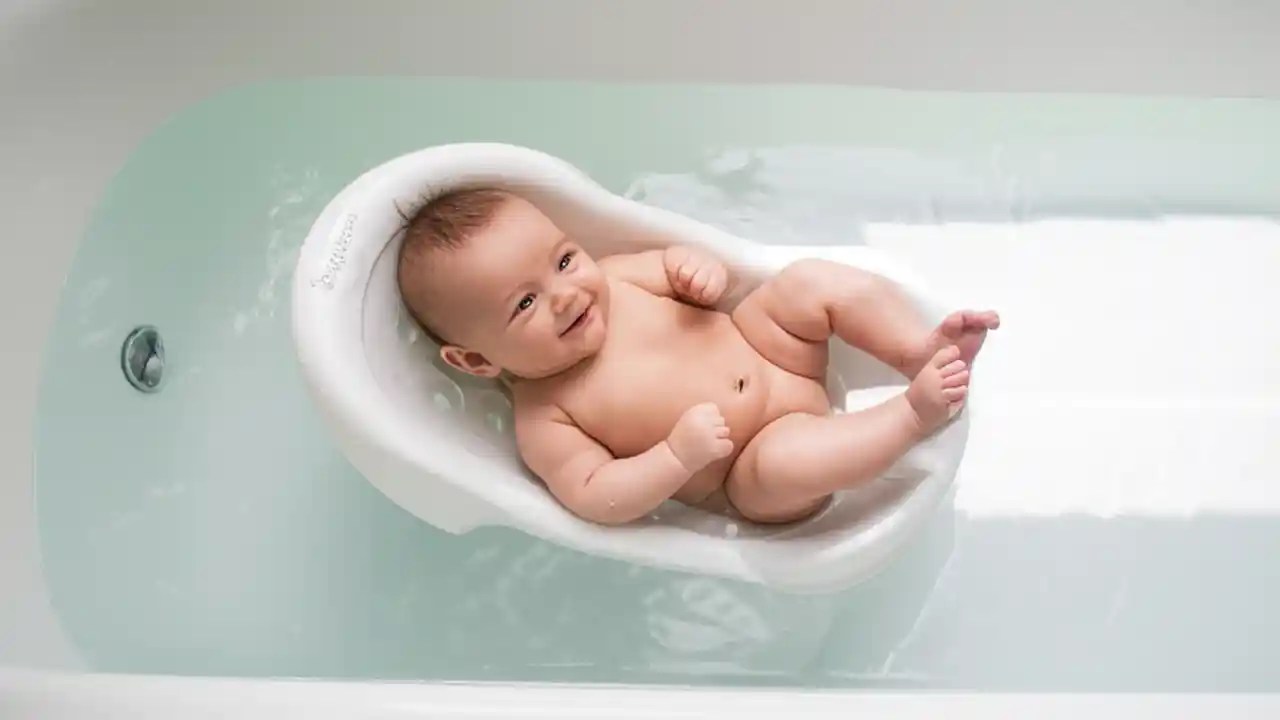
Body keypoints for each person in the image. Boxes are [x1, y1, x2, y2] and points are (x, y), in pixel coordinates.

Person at [396, 188, 999, 525]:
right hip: (750, 461)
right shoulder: (545, 417)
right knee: (784, 468)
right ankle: (911, 418)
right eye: (525, 303)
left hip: (769, 347)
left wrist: (695, 269)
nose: (566, 295)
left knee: (804, 284)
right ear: (476, 362)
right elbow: (597, 496)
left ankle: (914, 349)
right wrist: (674, 457)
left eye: (563, 261)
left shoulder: (614, 277)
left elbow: (670, 265)